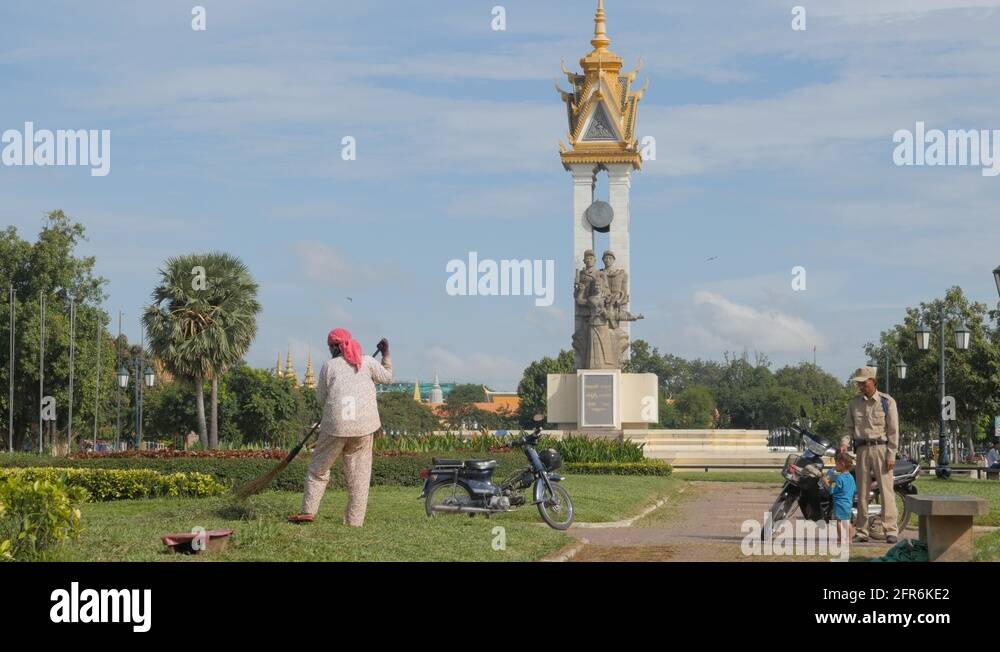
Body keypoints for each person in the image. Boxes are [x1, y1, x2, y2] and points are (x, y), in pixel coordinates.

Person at [288, 328, 392, 526]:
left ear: (335, 347)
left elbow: (320, 398)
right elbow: (387, 377)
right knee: (359, 477)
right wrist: (385, 354)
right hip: (363, 427)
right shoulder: (368, 362)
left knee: (318, 470)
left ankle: (308, 511)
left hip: (335, 426)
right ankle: (354, 521)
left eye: (330, 347)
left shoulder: (329, 366)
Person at [839, 366, 899, 544]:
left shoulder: (887, 402)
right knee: (862, 492)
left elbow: (894, 431)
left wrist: (891, 454)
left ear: (873, 381)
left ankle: (891, 530)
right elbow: (848, 428)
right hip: (862, 450)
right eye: (859, 383)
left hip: (881, 449)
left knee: (886, 491)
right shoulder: (854, 403)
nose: (861, 386)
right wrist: (844, 442)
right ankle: (862, 531)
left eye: (864, 383)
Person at [822, 451, 857, 545]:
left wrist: (825, 483)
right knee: (848, 521)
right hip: (849, 503)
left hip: (839, 503)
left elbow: (832, 490)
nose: (835, 466)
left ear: (842, 464)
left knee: (839, 522)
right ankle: (849, 539)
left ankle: (841, 539)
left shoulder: (839, 478)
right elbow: (854, 489)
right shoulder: (851, 477)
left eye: (836, 464)